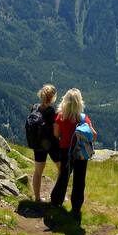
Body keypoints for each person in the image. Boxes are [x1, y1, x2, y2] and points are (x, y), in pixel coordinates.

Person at [50, 88, 92, 216]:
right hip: (80, 152)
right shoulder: (84, 119)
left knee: (64, 176)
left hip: (65, 150)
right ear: (79, 102)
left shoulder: (60, 117)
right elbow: (93, 135)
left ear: (65, 101)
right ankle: (76, 208)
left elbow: (56, 134)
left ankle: (56, 201)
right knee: (80, 180)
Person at [28, 84, 61, 202]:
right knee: (61, 168)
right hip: (51, 144)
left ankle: (37, 198)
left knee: (37, 172)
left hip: (38, 144)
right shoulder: (53, 111)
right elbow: (56, 133)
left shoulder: (35, 107)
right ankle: (57, 196)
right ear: (53, 98)